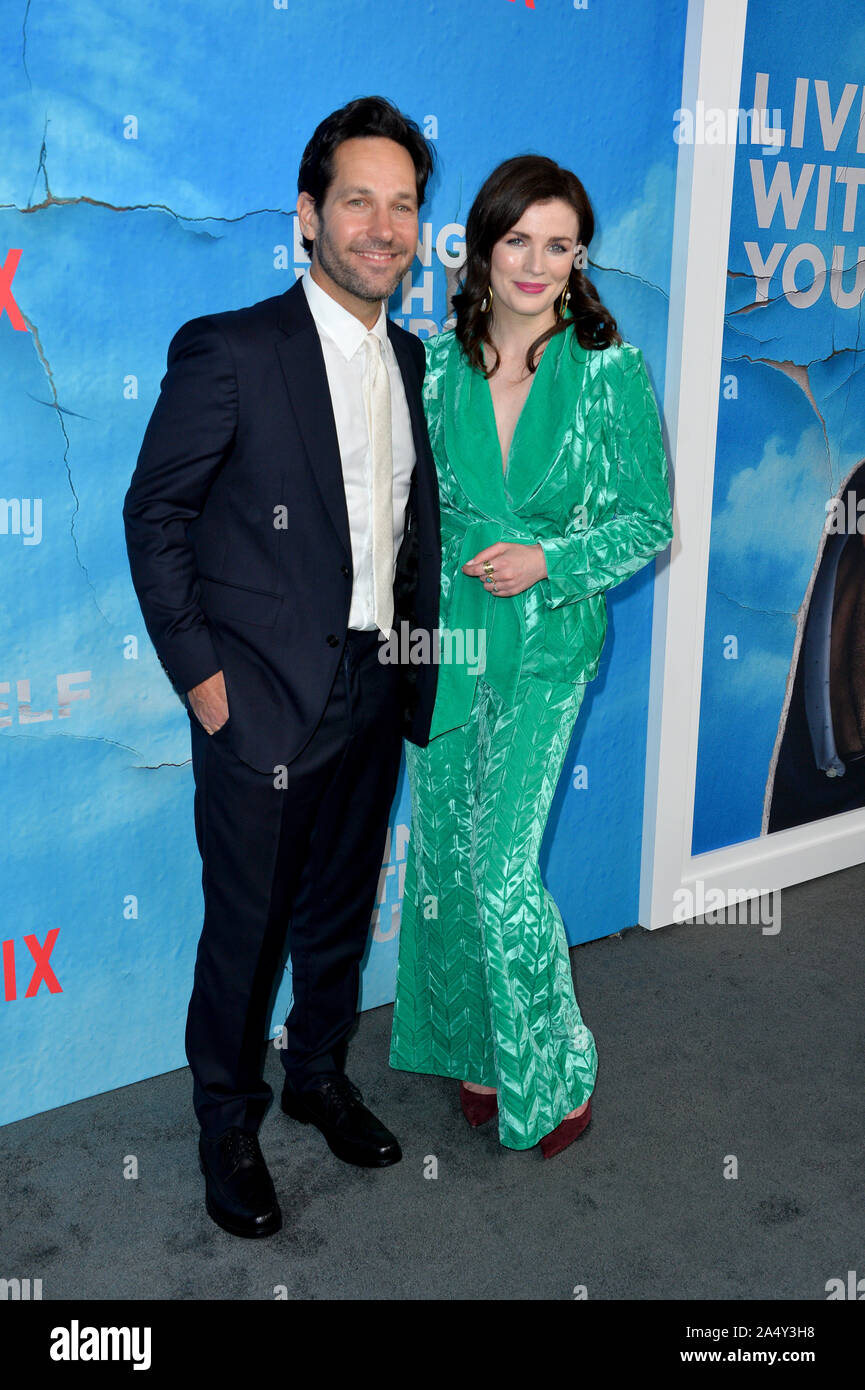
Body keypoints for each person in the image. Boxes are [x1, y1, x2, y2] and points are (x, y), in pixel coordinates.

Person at [123, 96, 441, 1238]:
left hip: (372, 683)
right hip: (258, 697)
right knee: (246, 929)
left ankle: (316, 1076)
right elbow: (155, 514)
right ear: (308, 216)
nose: (382, 227)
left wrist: (410, 663)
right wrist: (205, 683)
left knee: (339, 909)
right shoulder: (233, 349)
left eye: (401, 205)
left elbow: (405, 536)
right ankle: (227, 1119)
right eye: (357, 201)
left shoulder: (411, 357)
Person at [389, 154, 674, 1157]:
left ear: (578, 258)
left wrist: (549, 558)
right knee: (443, 853)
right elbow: (401, 507)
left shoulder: (608, 373)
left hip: (546, 648)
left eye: (559, 245)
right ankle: (477, 1049)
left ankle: (553, 1070)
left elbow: (648, 521)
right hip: (446, 642)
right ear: (483, 245)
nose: (535, 263)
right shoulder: (430, 366)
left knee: (502, 869)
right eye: (518, 239)